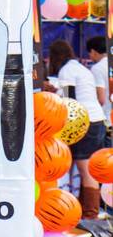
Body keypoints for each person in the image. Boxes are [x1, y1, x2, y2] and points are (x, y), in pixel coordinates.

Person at [47, 40, 107, 218]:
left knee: (85, 169)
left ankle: (90, 213)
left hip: (84, 123)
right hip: (97, 120)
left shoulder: (66, 71)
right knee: (89, 168)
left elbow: (68, 101)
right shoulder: (81, 68)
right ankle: (86, 210)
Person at [87, 35, 109, 123]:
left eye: (89, 53)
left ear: (93, 51)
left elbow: (101, 99)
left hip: (106, 117)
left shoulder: (97, 68)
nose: (89, 56)